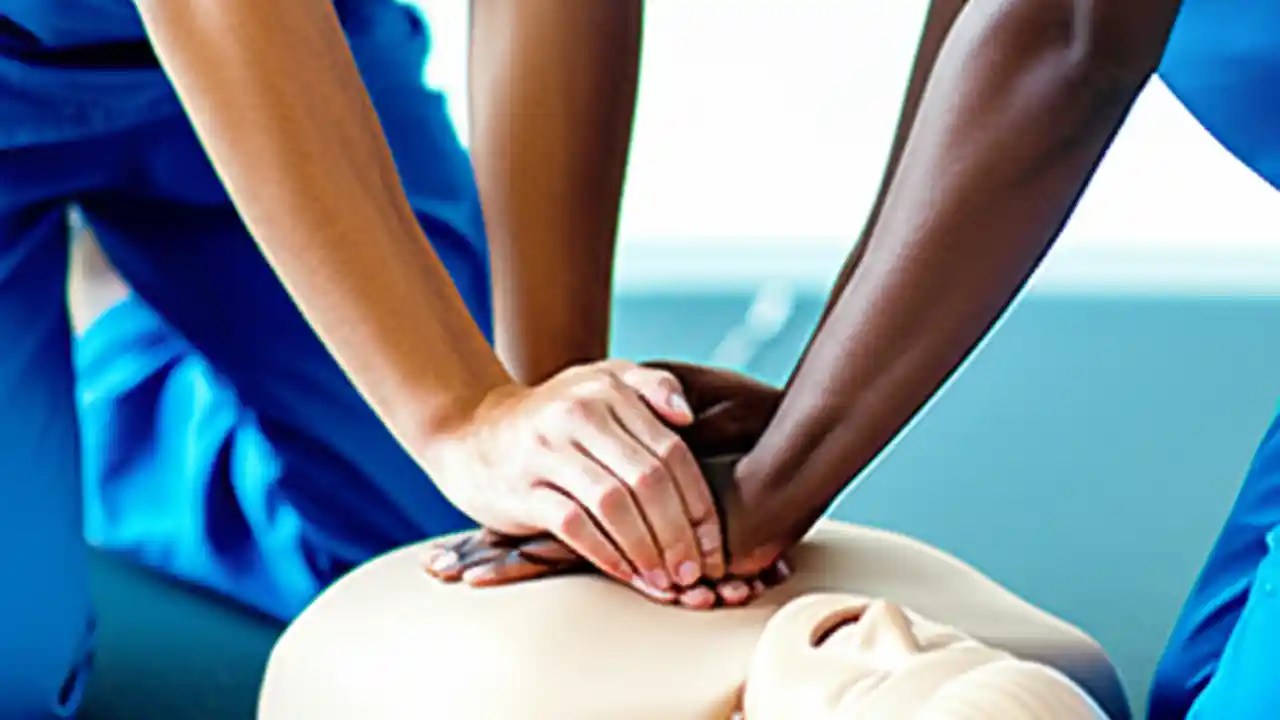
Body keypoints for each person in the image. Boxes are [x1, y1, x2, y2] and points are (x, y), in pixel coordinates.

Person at [2, 2, 736, 717]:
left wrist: (551, 440)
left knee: (432, 550)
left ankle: (120, 365)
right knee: (16, 679)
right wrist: (462, 415)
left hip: (310, 47)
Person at [259, 519, 1126, 719]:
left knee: (321, 514)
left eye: (868, 684)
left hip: (379, 629)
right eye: (953, 652)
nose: (889, 626)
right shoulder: (1072, 673)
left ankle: (117, 355)